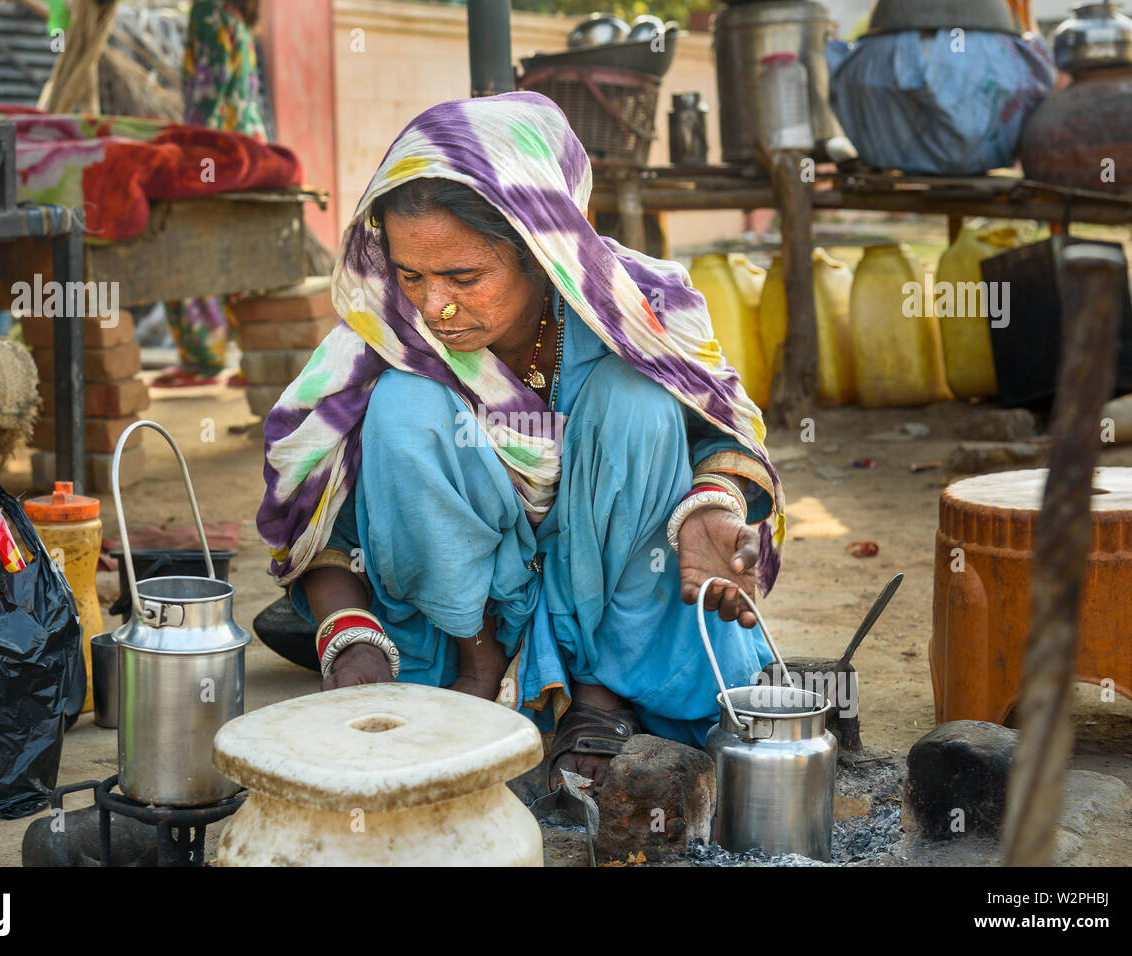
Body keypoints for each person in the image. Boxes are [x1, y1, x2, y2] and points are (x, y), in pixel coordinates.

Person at [258, 92, 787, 787]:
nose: (435, 308)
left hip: (627, 607)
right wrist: (346, 633)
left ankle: (603, 692)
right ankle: (477, 662)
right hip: (453, 635)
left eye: (464, 277)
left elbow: (720, 433)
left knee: (637, 404)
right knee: (406, 407)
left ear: (541, 251)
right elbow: (329, 524)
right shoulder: (384, 340)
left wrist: (713, 503)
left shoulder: (637, 310)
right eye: (411, 275)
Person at [153, 0, 267, 387]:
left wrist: (194, 160)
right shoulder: (239, 18)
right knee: (236, 253)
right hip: (249, 150)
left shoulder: (208, 12)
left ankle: (201, 359)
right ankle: (256, 358)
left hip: (217, 153)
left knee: (179, 242)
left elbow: (206, 98)